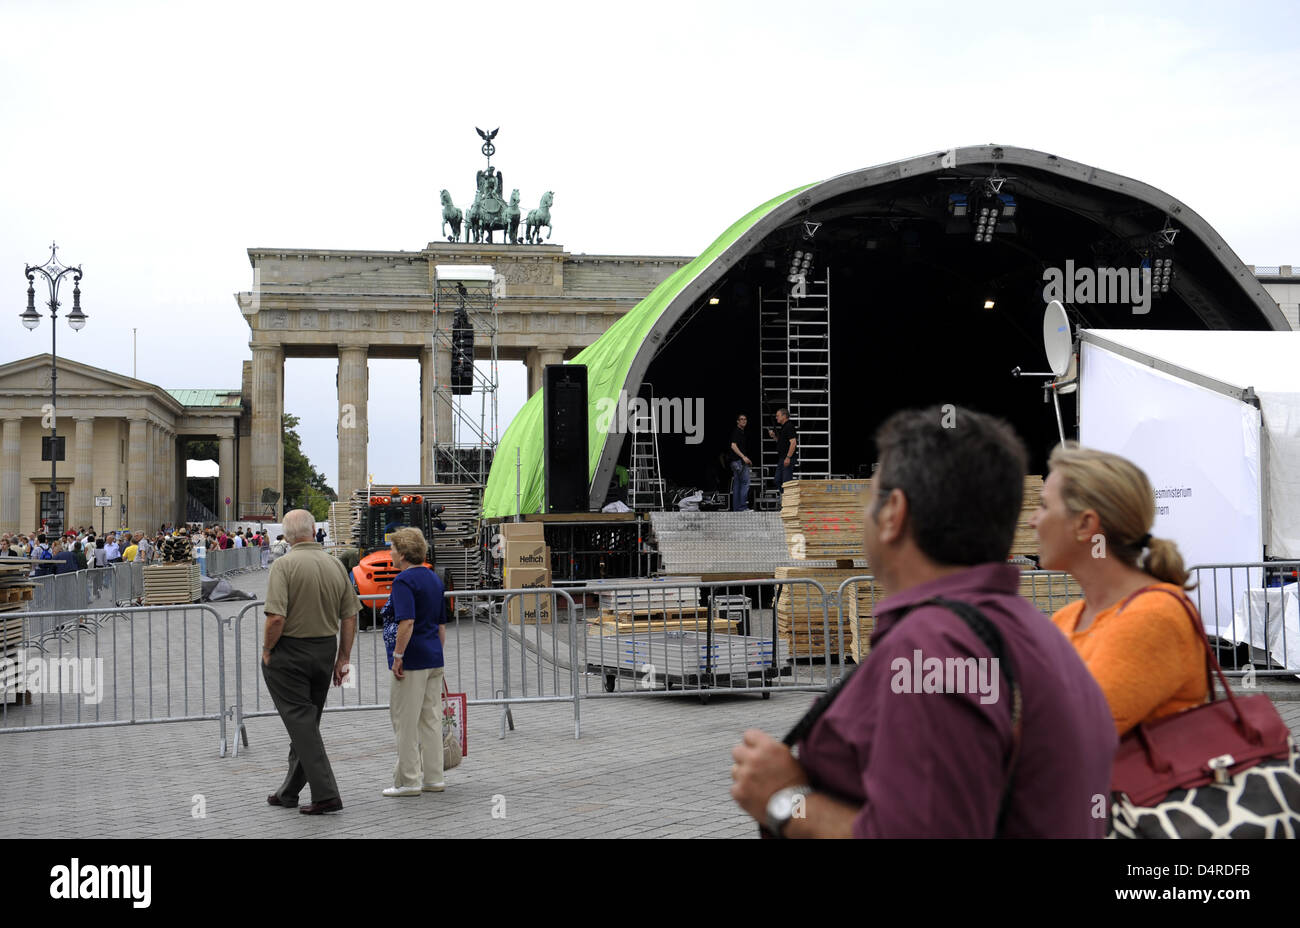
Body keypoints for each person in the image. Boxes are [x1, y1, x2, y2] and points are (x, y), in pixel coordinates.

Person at [729, 406, 1116, 837]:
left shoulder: (933, 647)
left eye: (870, 499)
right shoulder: (1037, 633)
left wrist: (785, 801)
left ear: (894, 512)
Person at [1029, 444, 1208, 736]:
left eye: (1044, 506)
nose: (1032, 520)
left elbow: (1062, 739)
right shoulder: (1066, 618)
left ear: (1085, 524)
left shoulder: (1152, 617)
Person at [261, 509, 360, 815]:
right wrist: (343, 658)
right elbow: (349, 616)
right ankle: (289, 791)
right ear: (313, 530)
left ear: (287, 535)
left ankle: (326, 794)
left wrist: (267, 650)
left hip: (290, 652)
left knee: (301, 723)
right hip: (324, 650)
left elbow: (276, 618)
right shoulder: (335, 564)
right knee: (307, 723)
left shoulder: (284, 566)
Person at [380, 527, 448, 797]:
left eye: (393, 549)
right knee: (431, 719)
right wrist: (436, 653)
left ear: (404, 553)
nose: (391, 554)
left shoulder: (403, 581)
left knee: (405, 722)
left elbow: (406, 622)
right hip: (433, 656)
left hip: (412, 659)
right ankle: (434, 777)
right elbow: (441, 625)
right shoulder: (433, 578)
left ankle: (409, 781)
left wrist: (398, 656)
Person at [766, 408, 798, 495]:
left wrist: (788, 457)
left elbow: (793, 443)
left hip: (787, 458)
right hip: (782, 458)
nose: (776, 417)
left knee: (786, 482)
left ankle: (788, 498)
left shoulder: (789, 426)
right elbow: (781, 443)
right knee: (777, 480)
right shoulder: (783, 427)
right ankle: (785, 497)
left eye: (778, 415)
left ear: (784, 416)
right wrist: (774, 436)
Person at [729, 413, 753, 512]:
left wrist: (745, 458)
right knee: (745, 484)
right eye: (741, 419)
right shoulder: (737, 432)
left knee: (737, 485)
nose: (744, 421)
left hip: (736, 462)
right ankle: (743, 507)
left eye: (745, 419)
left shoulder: (741, 432)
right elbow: (733, 445)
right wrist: (743, 457)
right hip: (739, 462)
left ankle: (737, 509)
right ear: (737, 421)